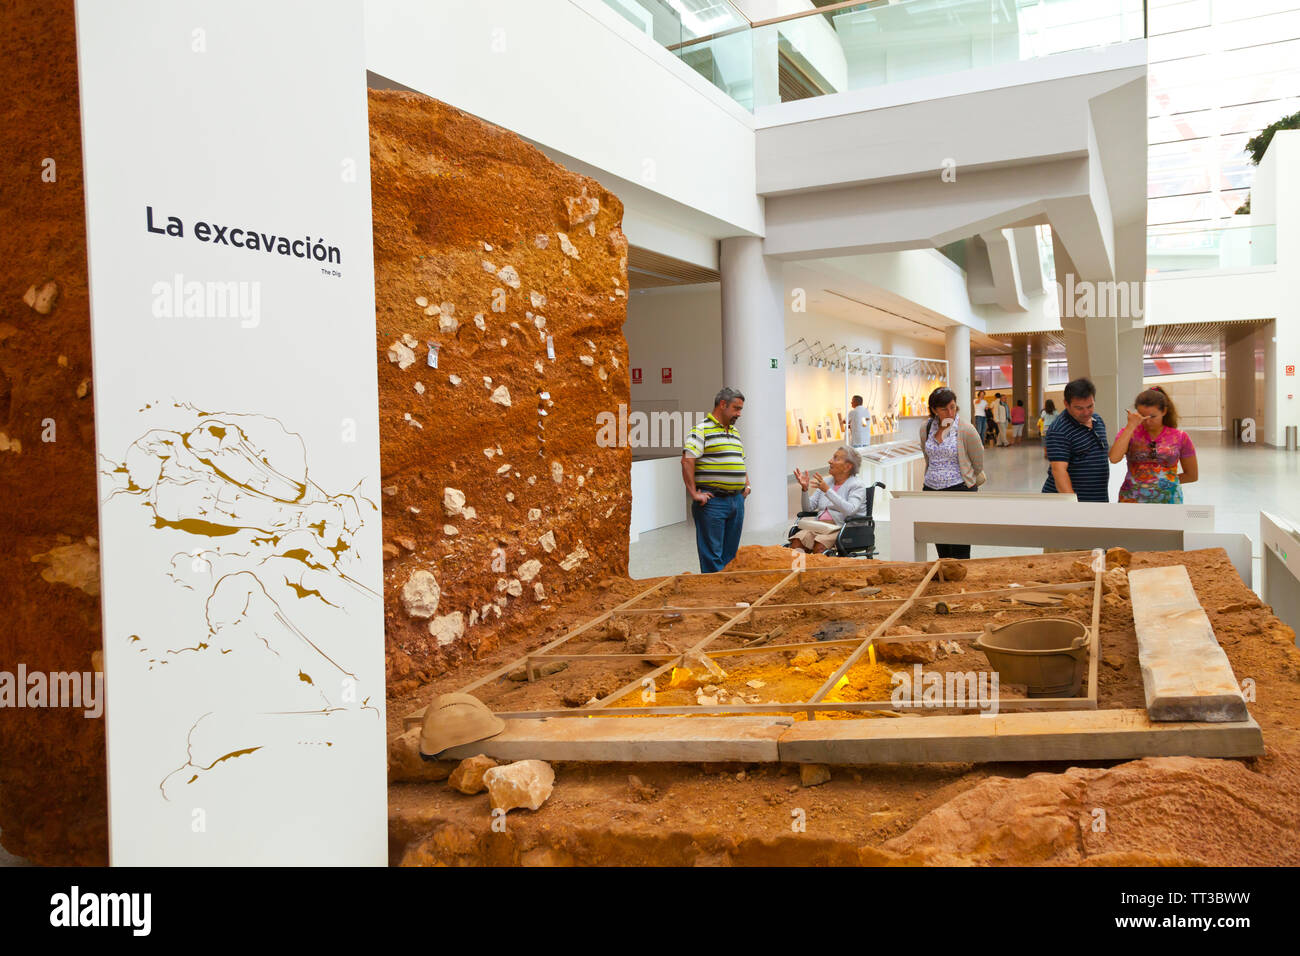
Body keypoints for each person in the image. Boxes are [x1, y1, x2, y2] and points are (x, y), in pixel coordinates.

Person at [682, 387, 749, 573]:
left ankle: (726, 594)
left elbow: (740, 460)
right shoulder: (701, 430)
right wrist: (694, 493)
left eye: (741, 409)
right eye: (736, 408)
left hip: (736, 500)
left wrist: (746, 487)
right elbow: (687, 460)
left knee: (730, 555)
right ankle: (713, 595)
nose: (739, 414)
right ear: (722, 404)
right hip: (713, 502)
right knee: (713, 556)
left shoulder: (734, 432)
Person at [918, 387, 985, 560]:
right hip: (932, 489)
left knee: (959, 541)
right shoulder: (926, 428)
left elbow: (978, 460)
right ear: (934, 410)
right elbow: (928, 456)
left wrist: (967, 476)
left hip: (959, 489)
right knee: (939, 537)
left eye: (953, 407)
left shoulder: (965, 429)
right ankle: (944, 578)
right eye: (944, 409)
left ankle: (960, 579)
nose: (950, 412)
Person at [1110, 386, 1198, 503]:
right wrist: (1130, 426)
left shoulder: (1180, 437)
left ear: (1164, 411)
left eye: (1152, 417)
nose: (1147, 421)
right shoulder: (1128, 433)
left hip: (1168, 499)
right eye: (1142, 416)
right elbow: (1114, 458)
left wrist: (1165, 481)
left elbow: (1192, 475)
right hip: (1132, 499)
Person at [1042, 378, 1110, 502]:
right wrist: (1073, 506)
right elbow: (1059, 470)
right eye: (1079, 408)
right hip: (1072, 502)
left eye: (1090, 406)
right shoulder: (1059, 430)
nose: (1086, 412)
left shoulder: (1097, 420)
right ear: (1066, 404)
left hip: (1097, 498)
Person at [789, 446, 868, 553]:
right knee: (796, 542)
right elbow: (808, 508)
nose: (829, 461)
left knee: (820, 546)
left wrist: (827, 490)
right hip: (820, 527)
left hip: (842, 529)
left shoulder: (857, 485)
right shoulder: (827, 482)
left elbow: (850, 510)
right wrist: (804, 489)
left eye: (836, 458)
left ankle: (817, 570)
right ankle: (799, 569)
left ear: (848, 466)